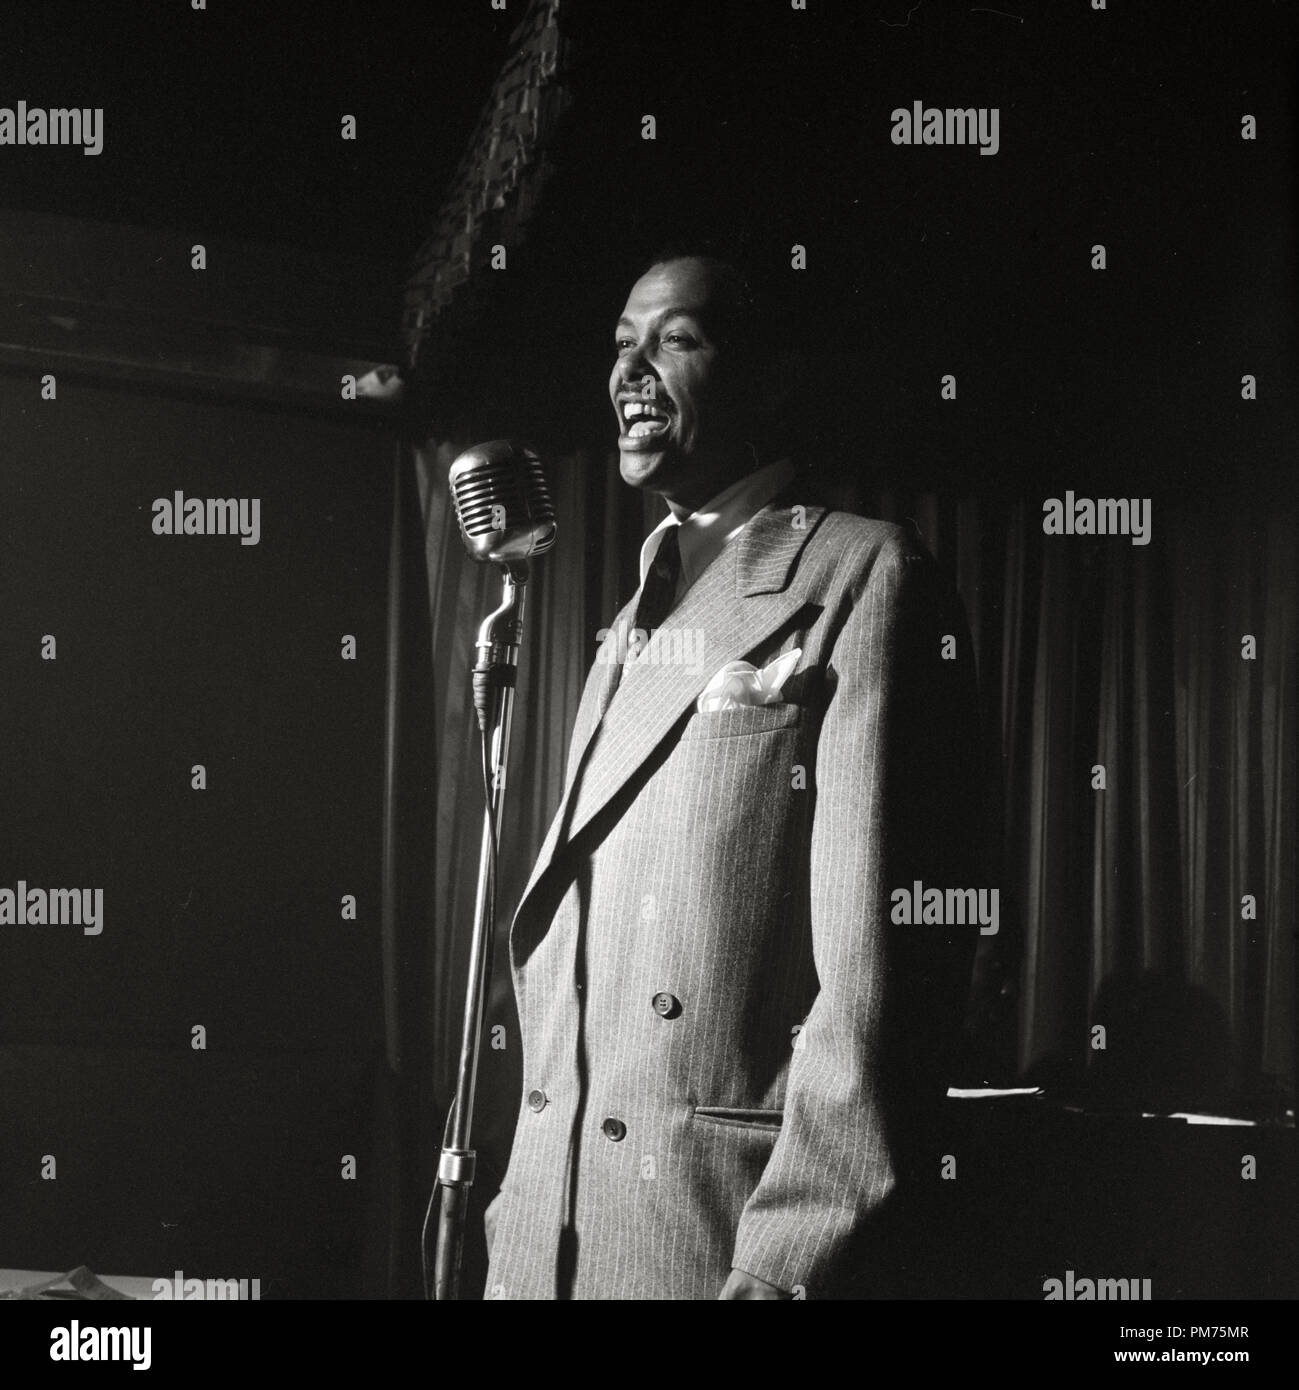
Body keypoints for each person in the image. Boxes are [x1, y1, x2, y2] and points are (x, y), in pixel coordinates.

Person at [484, 251, 983, 1299]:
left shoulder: (860, 571)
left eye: (677, 340)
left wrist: (779, 1264)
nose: (632, 371)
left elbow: (876, 986)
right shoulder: (621, 631)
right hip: (551, 1240)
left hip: (706, 1244)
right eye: (621, 344)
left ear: (767, 379)